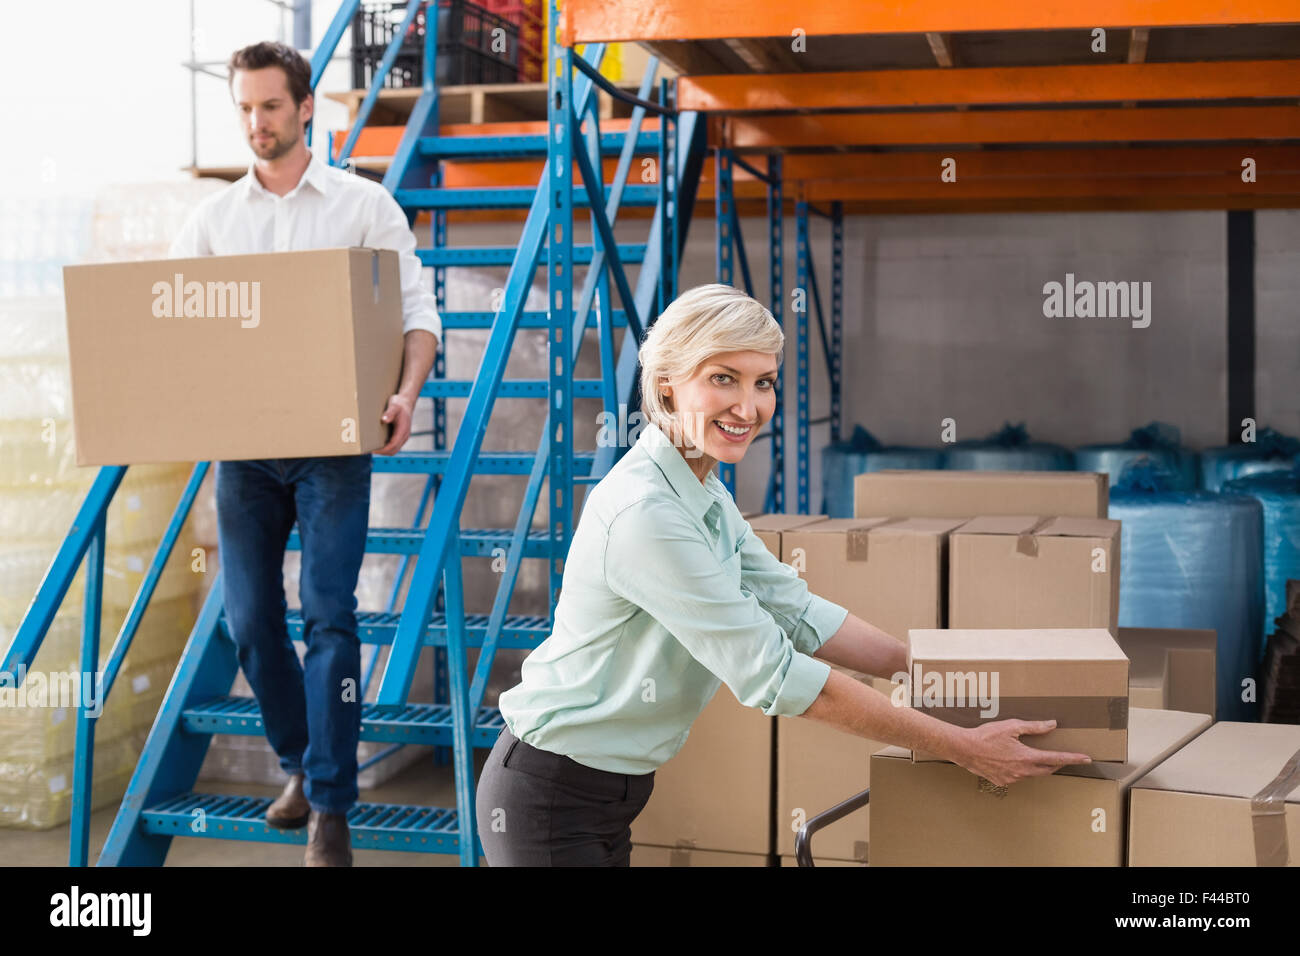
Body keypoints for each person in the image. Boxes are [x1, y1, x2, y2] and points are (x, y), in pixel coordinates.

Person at [477, 283, 1089, 866]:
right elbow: (778, 675)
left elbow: (796, 611)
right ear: (666, 389)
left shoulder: (700, 492)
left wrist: (930, 671)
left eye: (763, 383)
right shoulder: (647, 515)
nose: (750, 407)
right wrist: (963, 748)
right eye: (723, 379)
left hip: (608, 791)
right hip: (551, 793)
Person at [168, 42, 442, 866]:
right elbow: (176, 330)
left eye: (272, 107)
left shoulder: (361, 207)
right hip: (245, 452)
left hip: (332, 449)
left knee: (329, 615)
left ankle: (329, 804)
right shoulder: (213, 222)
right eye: (245, 109)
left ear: (306, 107)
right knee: (251, 623)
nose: (257, 123)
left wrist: (404, 394)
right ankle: (297, 760)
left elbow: (417, 314)